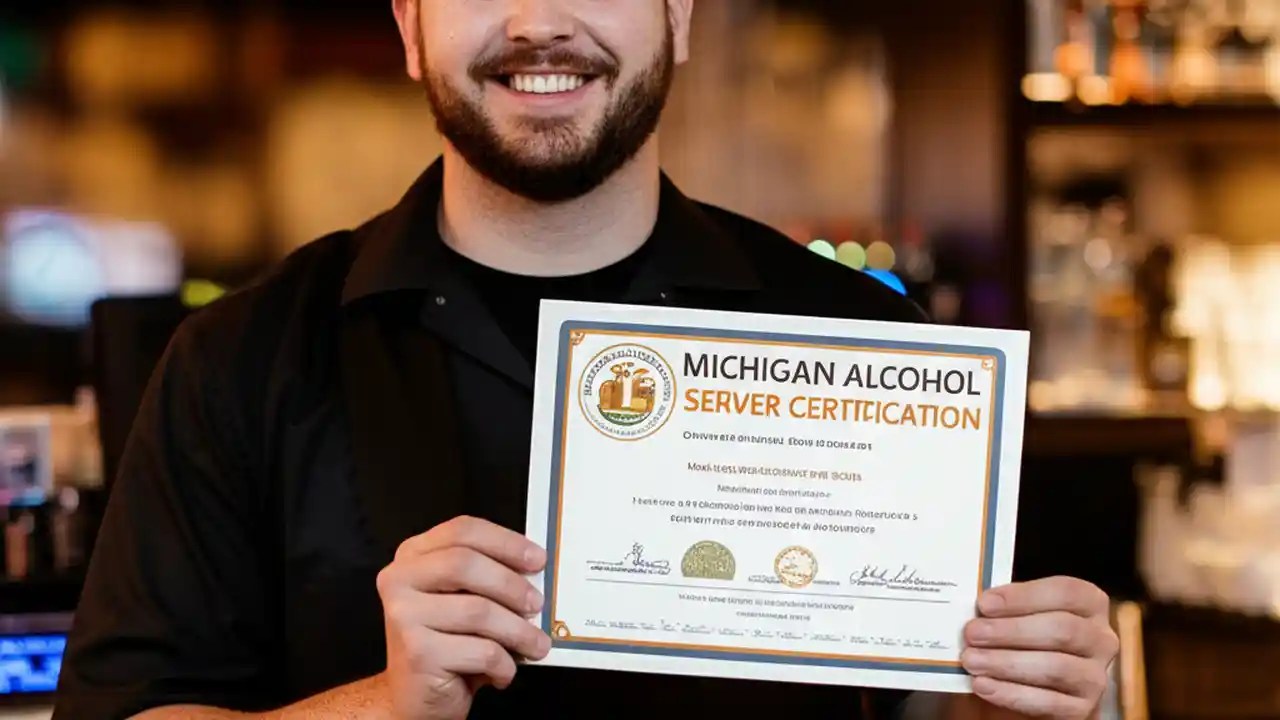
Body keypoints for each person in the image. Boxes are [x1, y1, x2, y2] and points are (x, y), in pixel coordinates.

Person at [54, 1, 1118, 718]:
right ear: (409, 27)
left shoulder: (868, 349)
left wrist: (1028, 691)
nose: (538, 22)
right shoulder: (237, 361)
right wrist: (385, 701)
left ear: (680, 15)